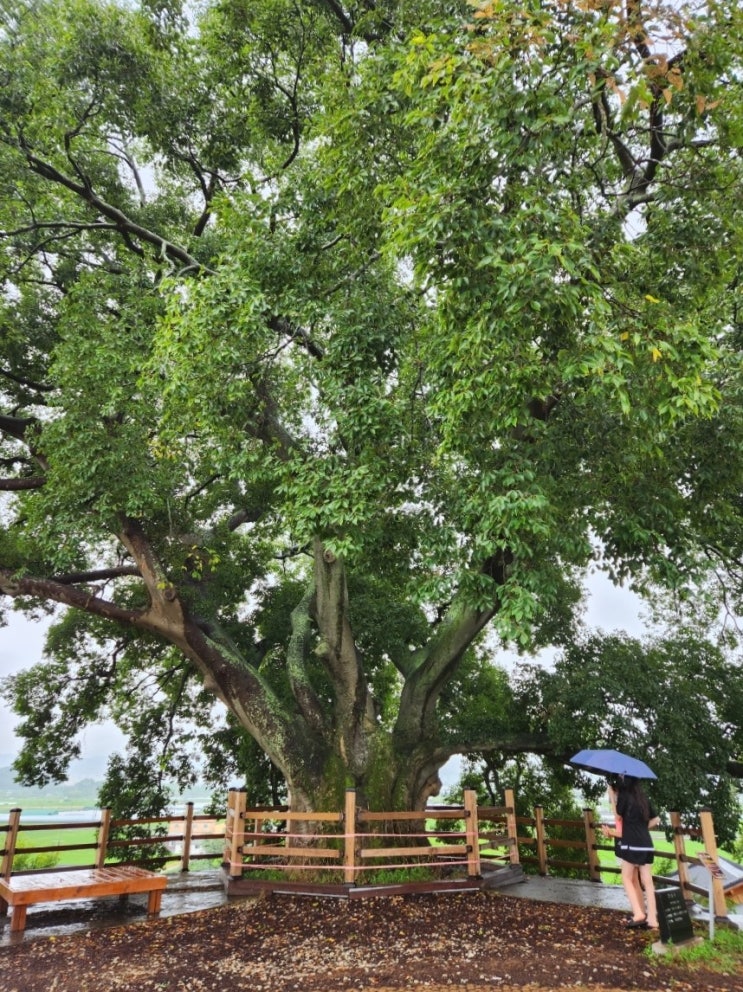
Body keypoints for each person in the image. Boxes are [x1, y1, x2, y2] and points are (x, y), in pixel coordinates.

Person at [601, 775, 659, 930]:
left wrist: (612, 795)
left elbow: (618, 816)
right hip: (646, 844)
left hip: (631, 844)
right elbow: (656, 819)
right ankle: (652, 919)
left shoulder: (624, 796)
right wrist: (641, 828)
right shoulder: (643, 798)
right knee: (647, 881)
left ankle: (638, 913)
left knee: (626, 878)